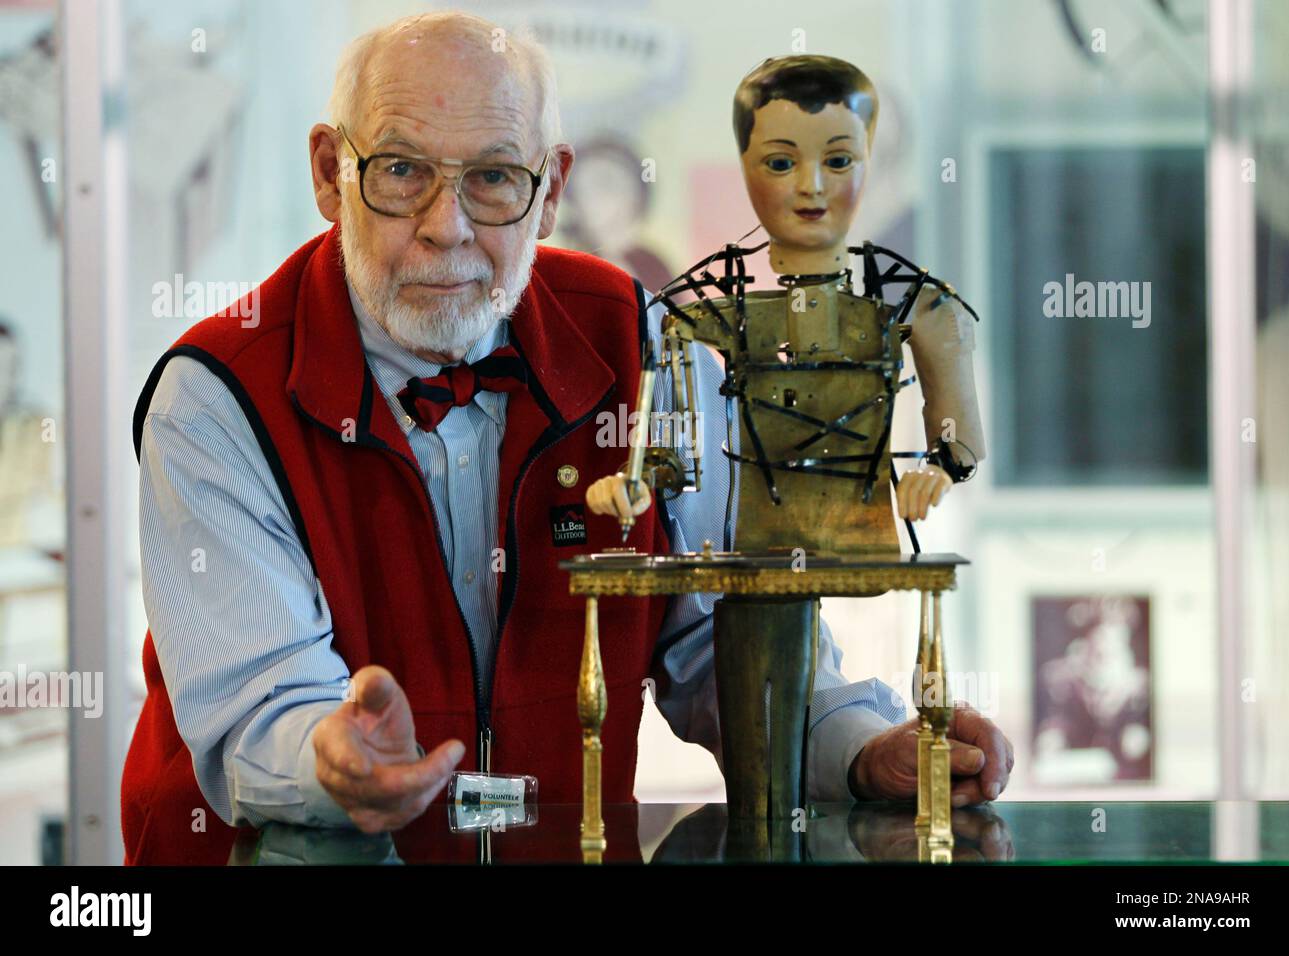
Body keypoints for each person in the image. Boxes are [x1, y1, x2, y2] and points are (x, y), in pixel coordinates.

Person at [122, 12, 1012, 866]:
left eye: (495, 177)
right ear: (328, 172)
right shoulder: (217, 394)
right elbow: (258, 706)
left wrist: (863, 748)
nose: (447, 225)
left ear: (551, 191)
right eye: (400, 170)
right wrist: (338, 756)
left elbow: (722, 634)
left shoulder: (641, 344)